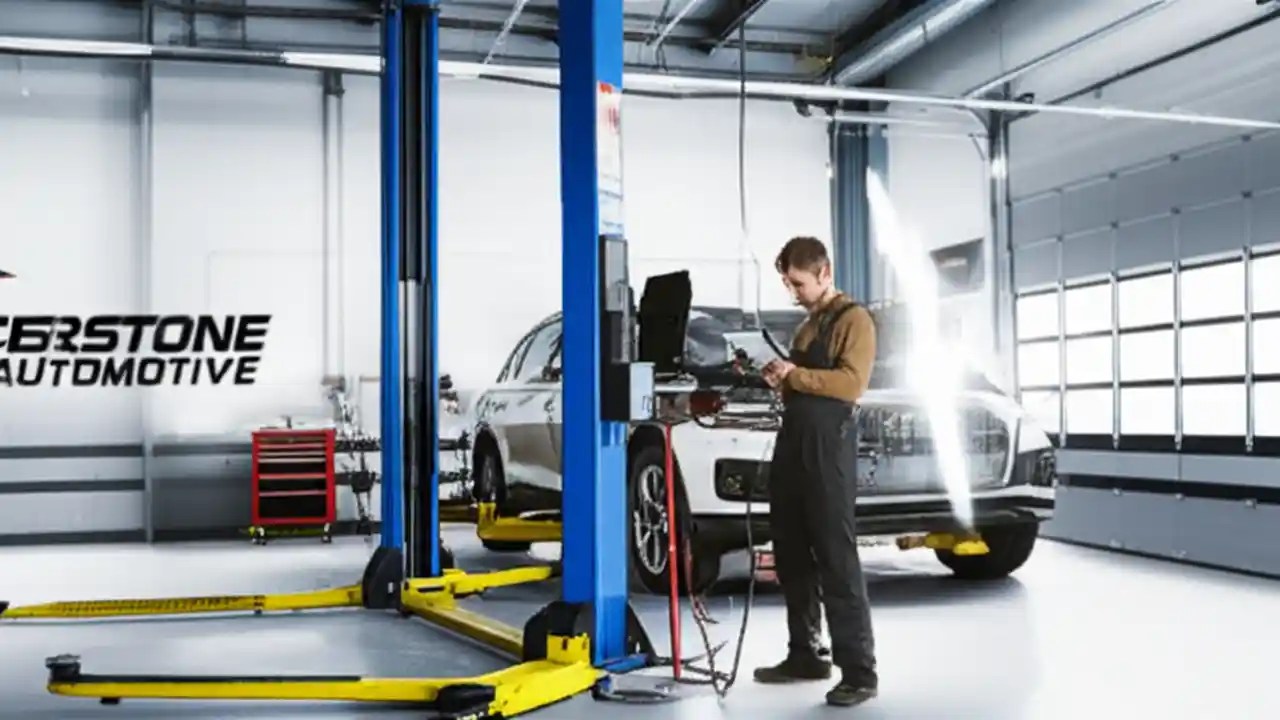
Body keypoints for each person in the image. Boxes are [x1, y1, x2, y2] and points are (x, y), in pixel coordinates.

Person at [754, 236, 879, 708]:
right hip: (794, 445)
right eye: (788, 283)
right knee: (790, 551)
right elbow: (801, 387)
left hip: (829, 450)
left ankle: (860, 672)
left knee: (835, 556)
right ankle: (805, 653)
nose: (794, 292)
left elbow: (850, 384)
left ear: (824, 273)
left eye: (799, 283)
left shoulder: (855, 321)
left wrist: (795, 375)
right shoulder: (809, 326)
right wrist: (779, 379)